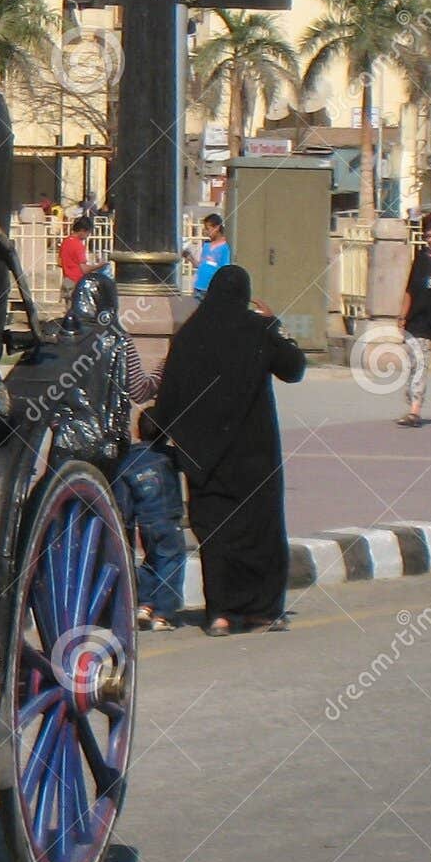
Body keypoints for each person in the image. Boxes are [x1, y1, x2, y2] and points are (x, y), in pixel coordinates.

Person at [145, 265, 305, 637]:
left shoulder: (188, 336)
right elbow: (294, 368)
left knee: (215, 534)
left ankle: (219, 614)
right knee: (258, 531)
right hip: (254, 457)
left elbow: (168, 399)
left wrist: (158, 433)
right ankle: (261, 612)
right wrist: (274, 324)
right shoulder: (256, 330)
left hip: (203, 459)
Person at [113, 419, 185, 631]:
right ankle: (162, 614)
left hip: (145, 522)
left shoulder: (127, 462)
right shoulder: (169, 456)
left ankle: (144, 605)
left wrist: (126, 524)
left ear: (137, 430)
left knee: (151, 561)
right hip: (169, 518)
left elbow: (123, 502)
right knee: (171, 563)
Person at [394, 211, 431, 427]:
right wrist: (402, 316)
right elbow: (410, 290)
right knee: (418, 365)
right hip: (419, 320)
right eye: (428, 235)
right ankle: (414, 411)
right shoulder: (420, 258)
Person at [185, 213, 231, 298]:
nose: (205, 232)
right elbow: (200, 265)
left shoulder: (224, 248)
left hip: (211, 289)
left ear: (217, 228)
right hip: (198, 287)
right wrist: (189, 256)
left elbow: (225, 271)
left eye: (207, 229)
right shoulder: (206, 245)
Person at [58, 216, 95, 306]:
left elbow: (59, 262)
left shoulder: (65, 242)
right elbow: (84, 269)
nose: (88, 236)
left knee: (69, 310)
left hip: (67, 280)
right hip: (77, 281)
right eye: (88, 233)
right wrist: (100, 265)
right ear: (82, 230)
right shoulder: (78, 245)